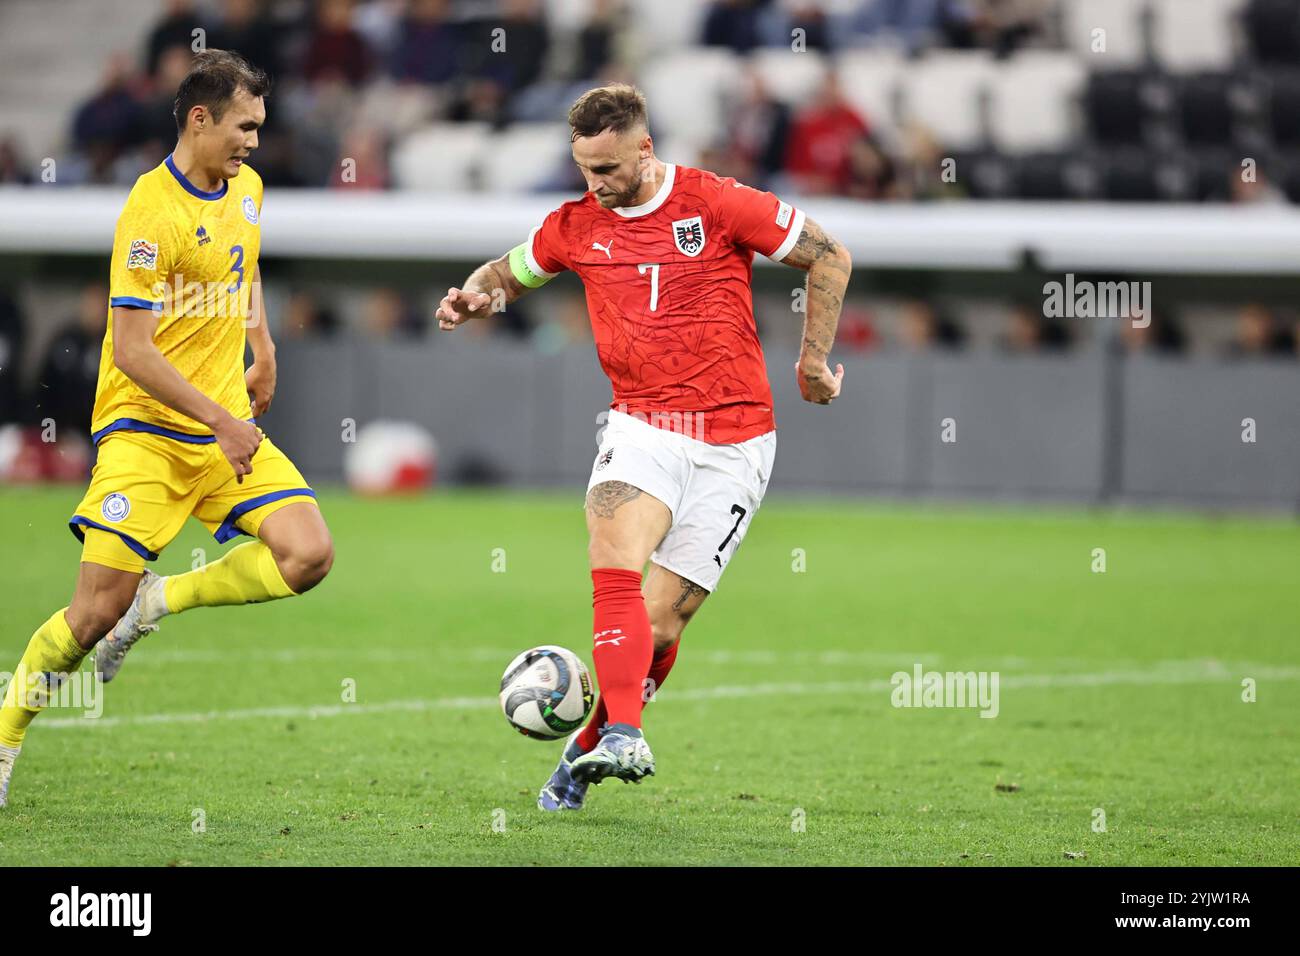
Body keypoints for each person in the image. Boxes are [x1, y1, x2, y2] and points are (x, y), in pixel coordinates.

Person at [434, 84, 852, 810]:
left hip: (737, 438)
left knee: (663, 625)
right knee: (615, 562)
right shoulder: (573, 225)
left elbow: (830, 255)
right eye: (583, 169)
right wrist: (475, 296)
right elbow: (507, 273)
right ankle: (626, 729)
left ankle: (589, 741)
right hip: (641, 426)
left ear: (645, 148)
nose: (594, 185)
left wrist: (812, 361)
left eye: (607, 169)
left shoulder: (715, 203)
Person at [0, 50, 334, 808]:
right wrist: (222, 419)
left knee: (309, 554)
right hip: (149, 435)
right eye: (244, 126)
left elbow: (242, 268)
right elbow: (131, 351)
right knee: (89, 615)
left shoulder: (245, 187)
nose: (254, 141)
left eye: (260, 125)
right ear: (199, 118)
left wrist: (264, 346)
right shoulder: (150, 214)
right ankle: (5, 735)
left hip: (223, 434)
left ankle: (161, 602)